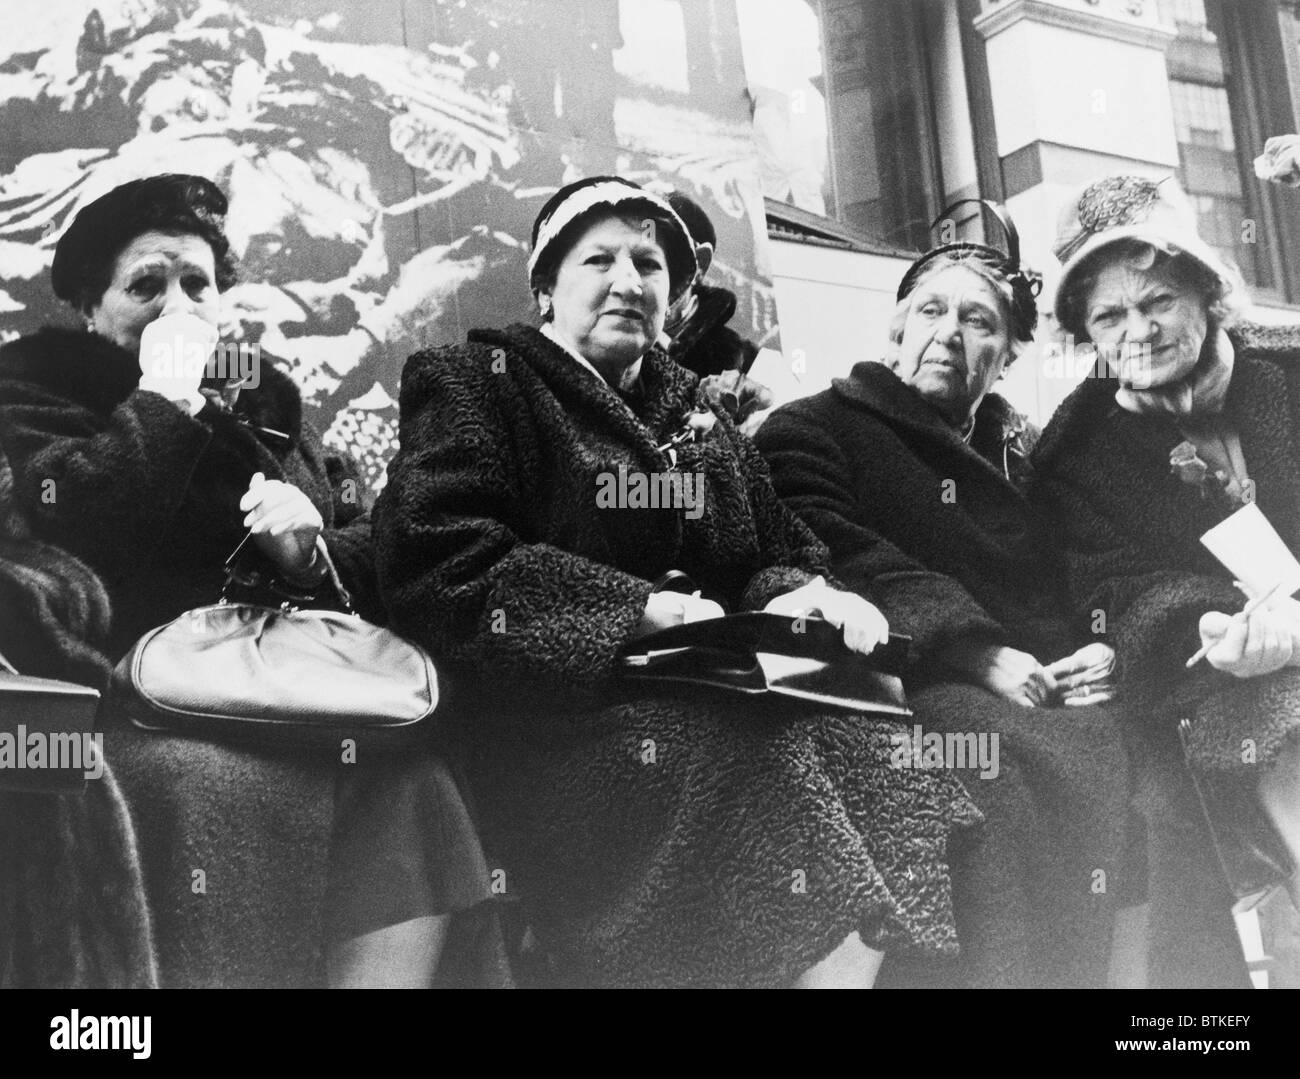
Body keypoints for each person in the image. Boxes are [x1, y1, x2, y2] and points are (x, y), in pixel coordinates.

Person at [373, 175, 981, 988]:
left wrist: (801, 589)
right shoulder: (478, 383)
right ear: (547, 286)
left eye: (650, 265)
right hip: (553, 726)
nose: (628, 280)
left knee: (883, 753)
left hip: (706, 697)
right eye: (599, 260)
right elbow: (438, 558)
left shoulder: (695, 412)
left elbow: (775, 541)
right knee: (754, 766)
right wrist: (635, 611)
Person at [0, 174, 501, 988]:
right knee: (216, 787)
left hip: (290, 684)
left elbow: (370, 538)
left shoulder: (271, 403)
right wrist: (165, 394)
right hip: (134, 696)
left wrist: (308, 548)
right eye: (146, 287)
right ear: (92, 309)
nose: (176, 306)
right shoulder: (39, 389)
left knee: (416, 785)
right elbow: (73, 516)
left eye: (196, 285)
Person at [753, 205, 1136, 988]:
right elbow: (832, 548)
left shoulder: (1027, 466)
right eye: (931, 310)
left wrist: (1101, 644)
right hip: (899, 682)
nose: (950, 332)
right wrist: (974, 648)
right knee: (988, 774)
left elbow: (1086, 567)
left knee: (1142, 763)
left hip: (1042, 686)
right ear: (894, 331)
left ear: (1007, 354)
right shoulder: (814, 426)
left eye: (979, 321)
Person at [1031, 174, 1300, 984]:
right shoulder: (1075, 452)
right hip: (1227, 683)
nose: (1137, 332)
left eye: (1158, 302)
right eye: (1108, 316)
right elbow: (1112, 590)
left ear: (1209, 297)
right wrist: (1213, 630)